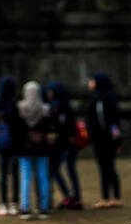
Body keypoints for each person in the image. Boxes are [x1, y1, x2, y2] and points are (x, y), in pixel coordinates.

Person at [15, 80, 52, 220]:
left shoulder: (21, 108)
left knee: (25, 177)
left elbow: (18, 130)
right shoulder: (45, 109)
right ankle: (43, 208)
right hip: (42, 147)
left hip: (25, 148)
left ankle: (25, 208)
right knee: (43, 176)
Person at [86, 71, 123, 208]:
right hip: (101, 138)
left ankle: (114, 197)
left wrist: (118, 139)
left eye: (92, 81)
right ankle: (106, 197)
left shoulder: (103, 99)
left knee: (108, 167)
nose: (89, 83)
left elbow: (113, 122)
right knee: (104, 167)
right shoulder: (97, 99)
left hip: (105, 138)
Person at [45, 81, 83, 209]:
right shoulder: (68, 106)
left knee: (54, 170)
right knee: (71, 170)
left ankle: (67, 196)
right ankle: (76, 197)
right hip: (71, 145)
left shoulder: (55, 106)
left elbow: (57, 126)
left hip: (61, 145)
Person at [0, 74, 21, 216]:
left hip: (0, 141)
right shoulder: (15, 103)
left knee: (3, 173)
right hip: (14, 141)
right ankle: (14, 203)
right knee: (14, 173)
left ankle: (3, 204)